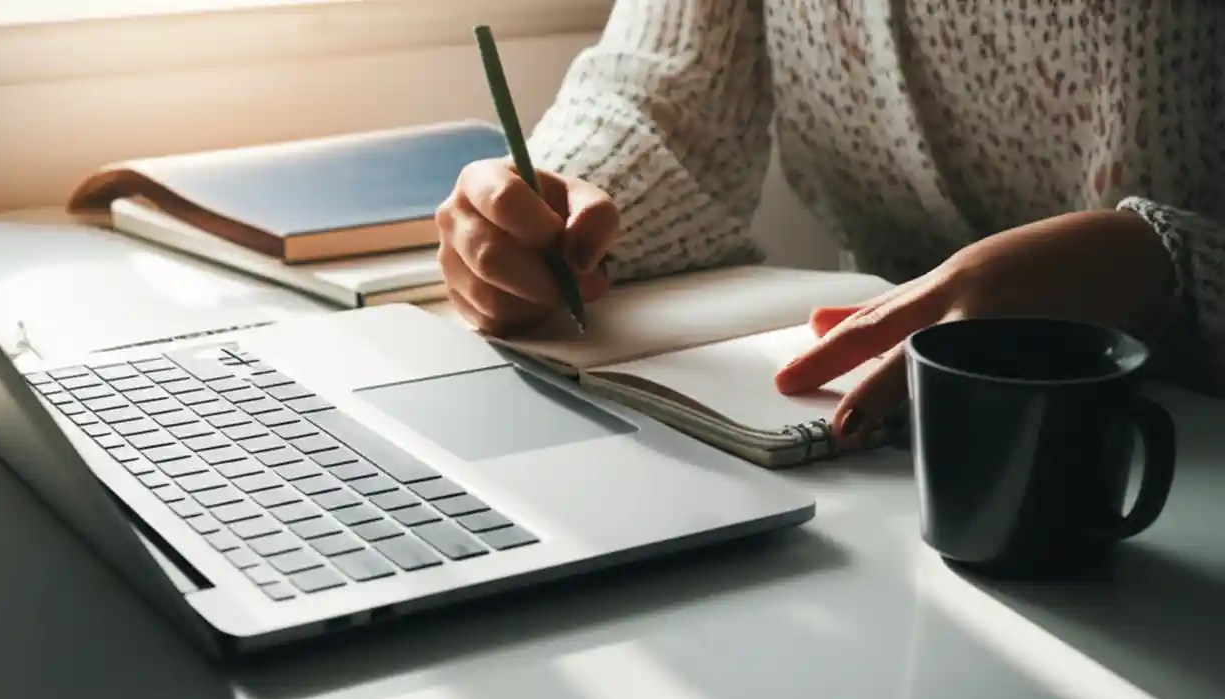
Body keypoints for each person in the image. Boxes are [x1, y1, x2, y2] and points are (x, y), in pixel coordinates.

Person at [435, 0, 1225, 440]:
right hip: (888, 457)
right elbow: (665, 104)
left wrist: (1151, 266)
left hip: (1167, 461)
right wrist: (553, 206)